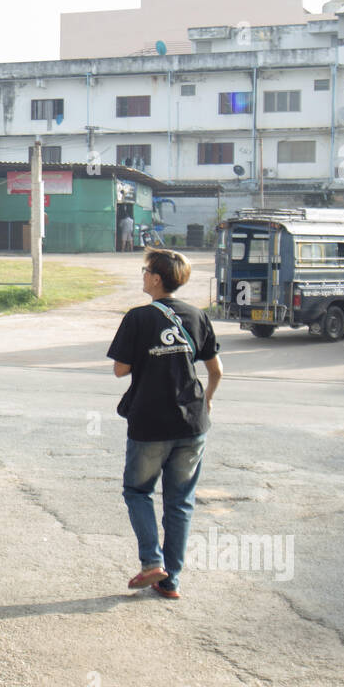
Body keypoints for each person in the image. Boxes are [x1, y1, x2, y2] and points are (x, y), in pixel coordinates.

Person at [108, 248, 222, 599]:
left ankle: (151, 562)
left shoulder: (138, 318)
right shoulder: (196, 315)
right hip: (192, 423)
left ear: (156, 278)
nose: (143, 275)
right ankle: (169, 581)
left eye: (145, 271)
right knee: (180, 501)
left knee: (138, 491)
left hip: (150, 423)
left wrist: (149, 354)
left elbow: (120, 369)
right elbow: (216, 371)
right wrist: (208, 402)